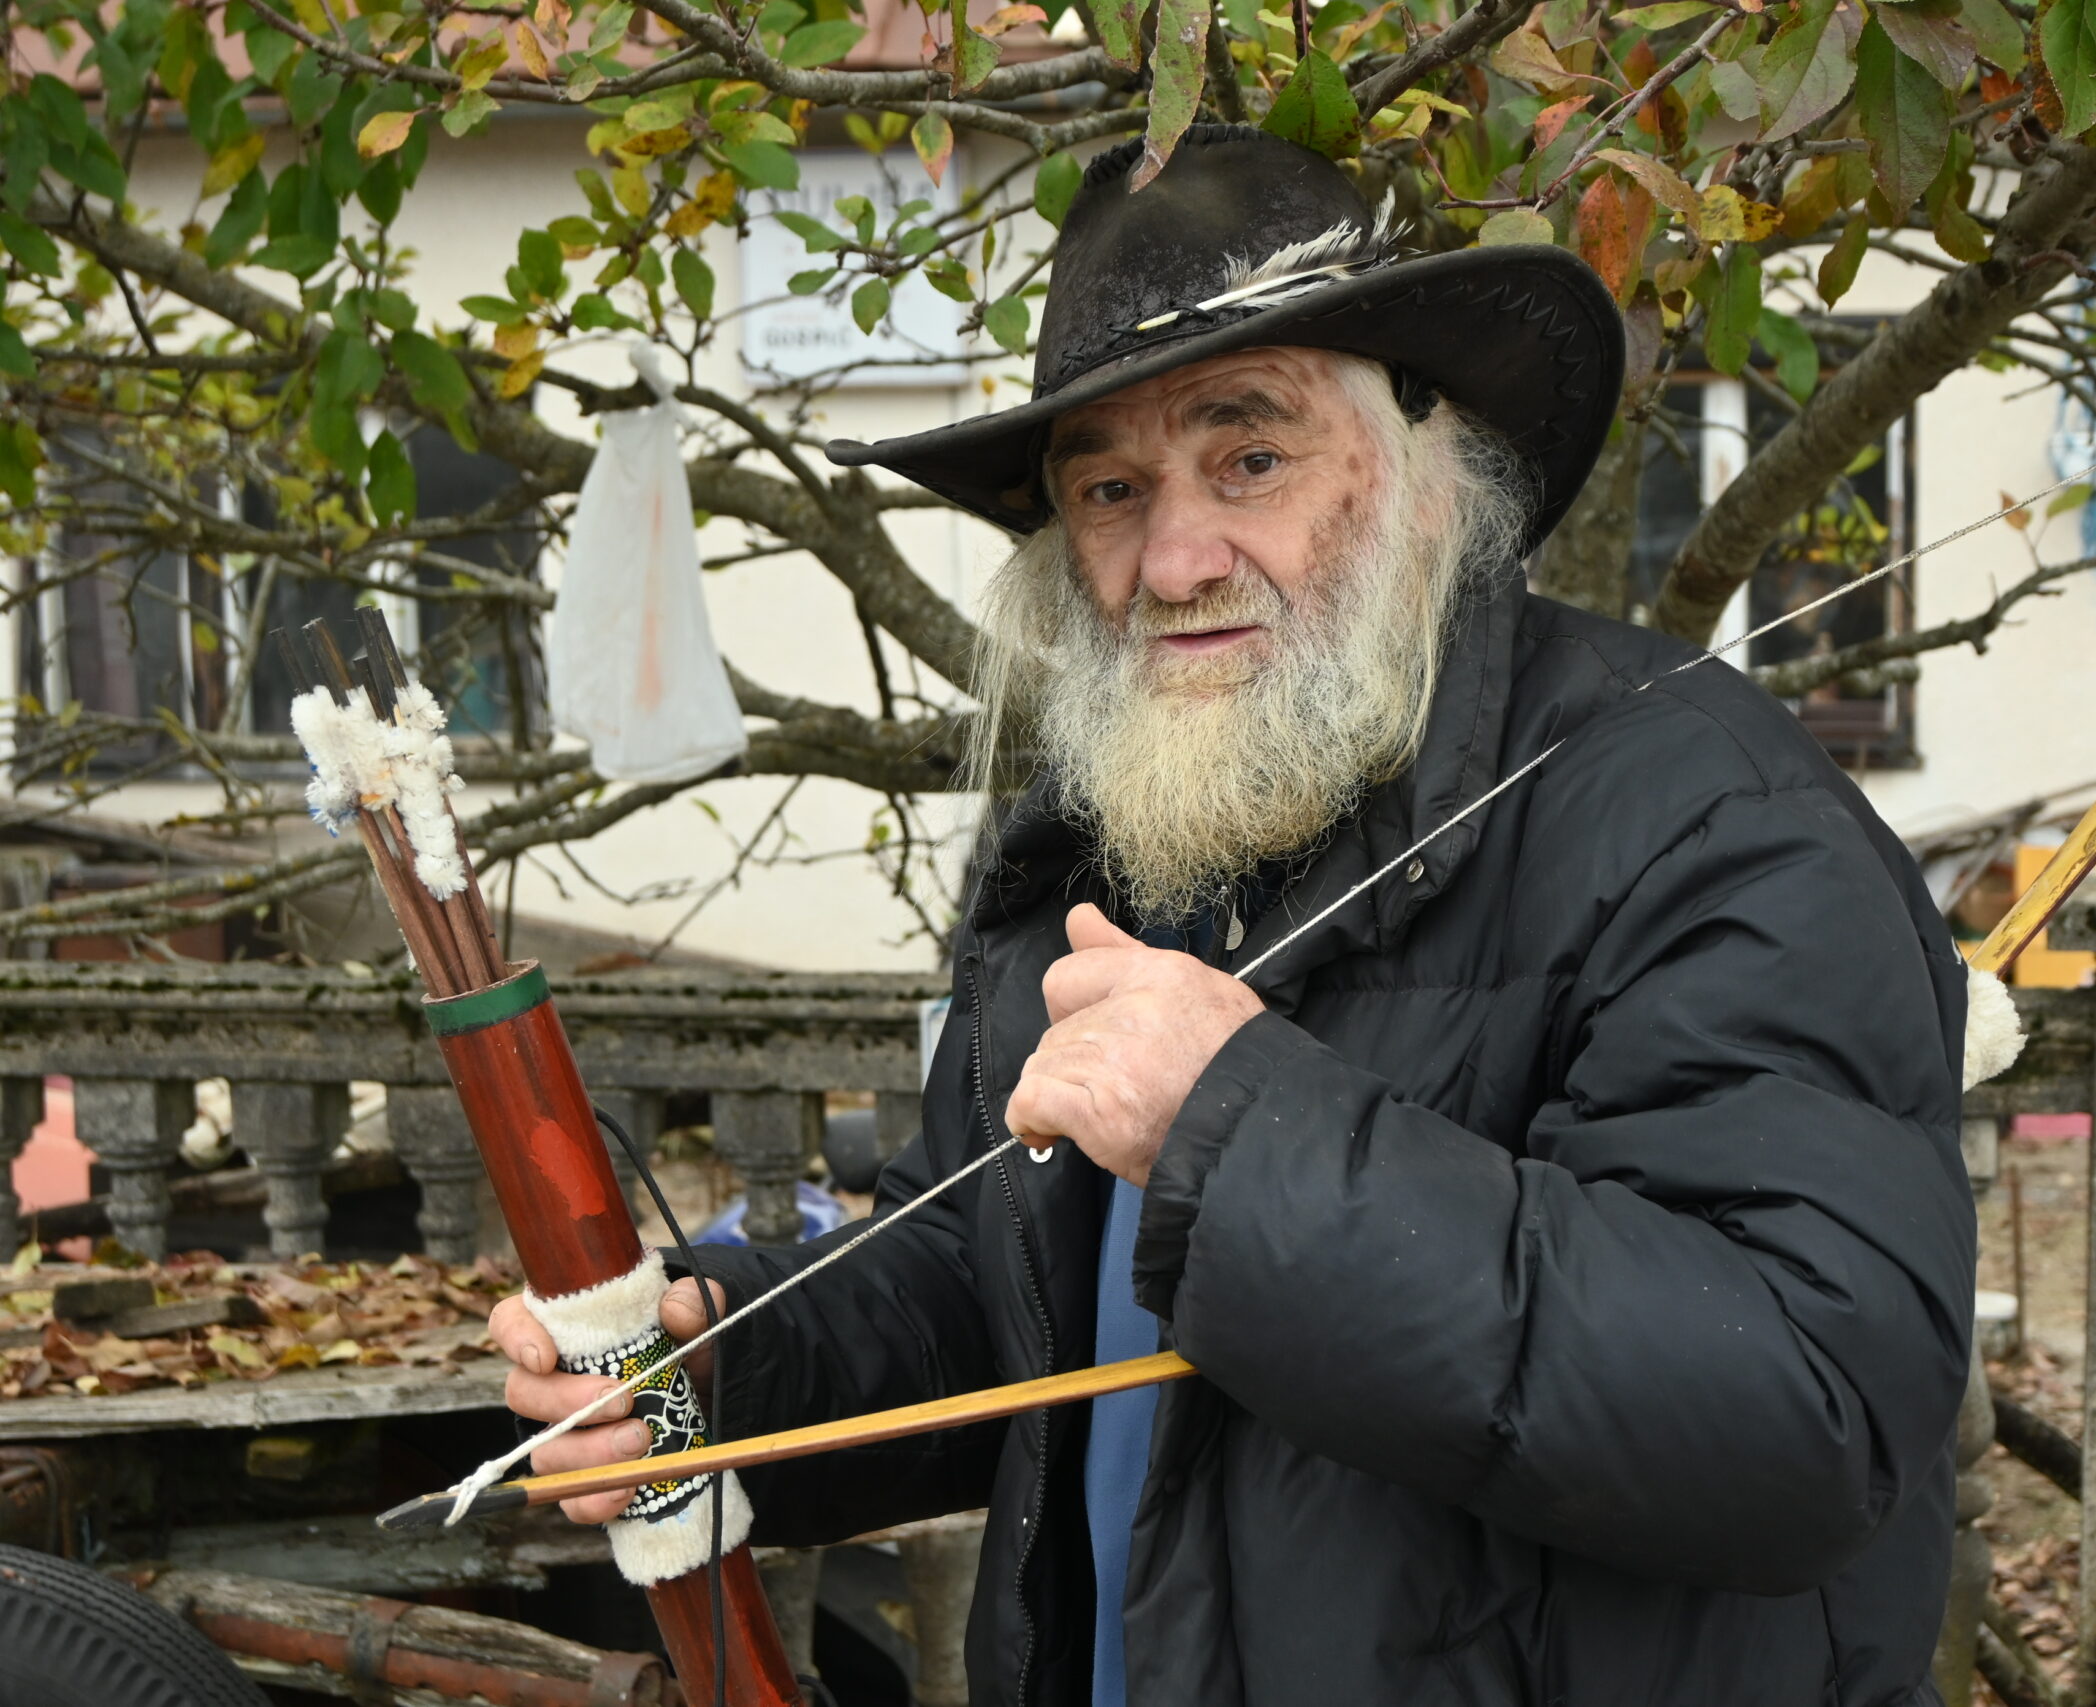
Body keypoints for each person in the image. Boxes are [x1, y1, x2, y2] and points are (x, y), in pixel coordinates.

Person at [493, 124, 1975, 1707]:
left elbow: (1809, 1418)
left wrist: (1236, 1134)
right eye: (1113, 491)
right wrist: (733, 1368)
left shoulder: (1708, 818)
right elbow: (999, 1280)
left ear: (1425, 465)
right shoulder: (1117, 829)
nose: (1176, 557)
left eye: (1249, 457)